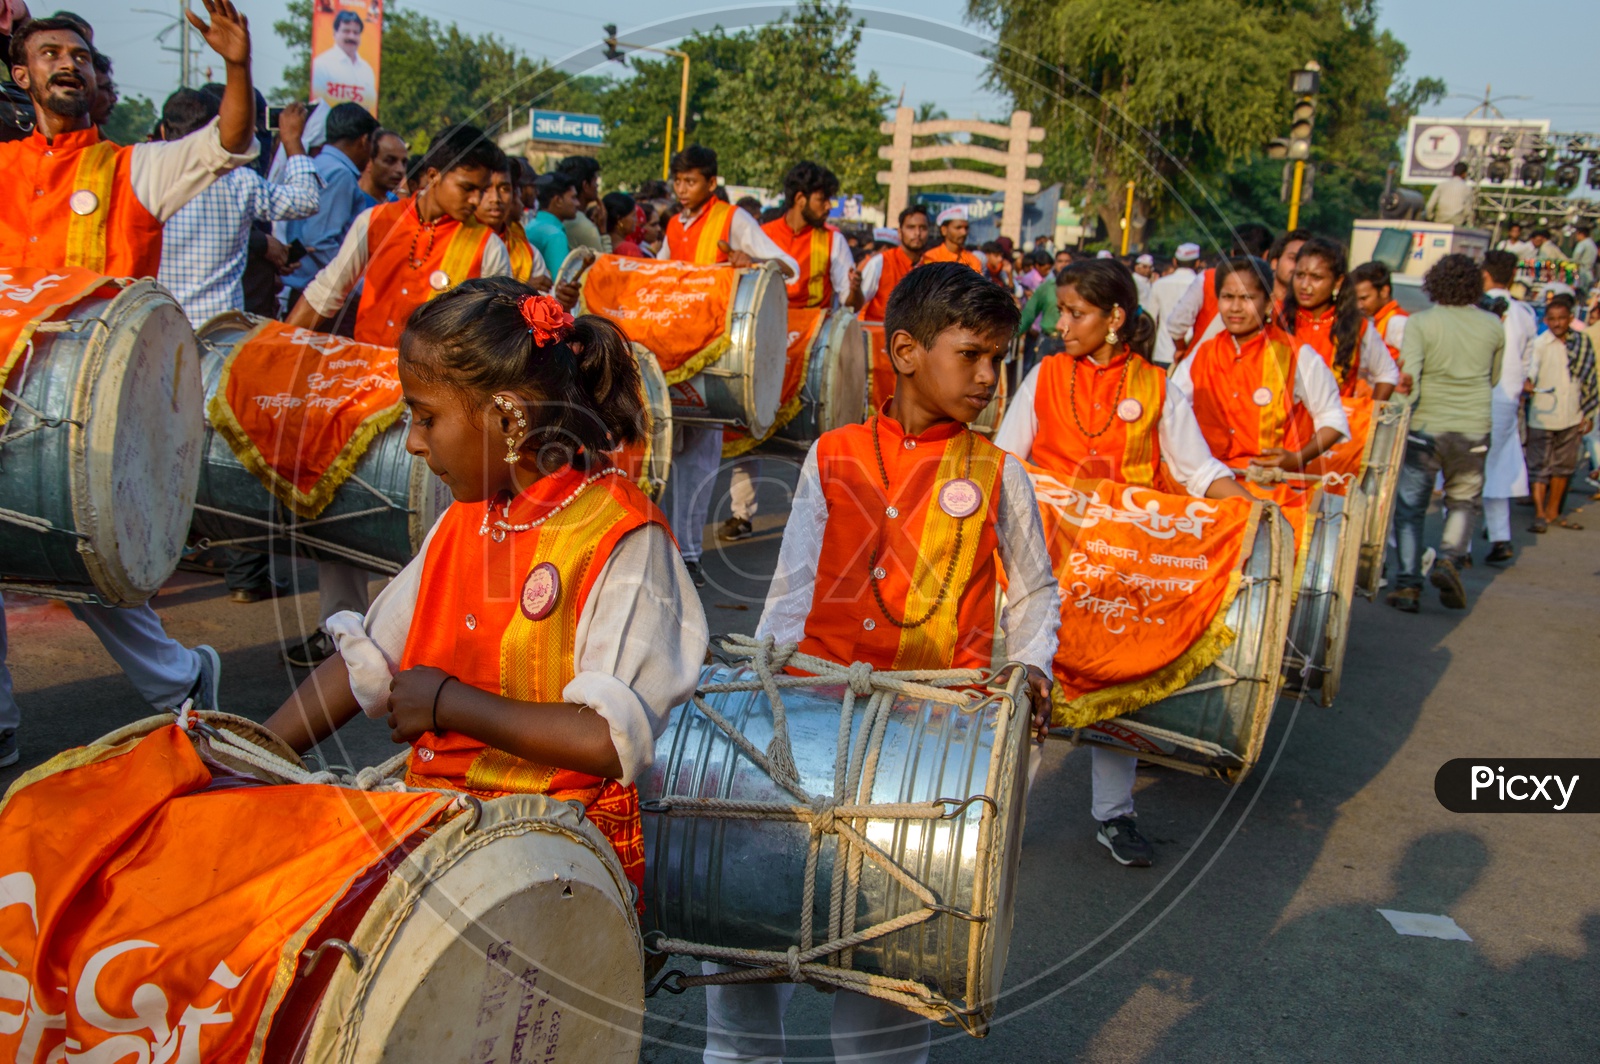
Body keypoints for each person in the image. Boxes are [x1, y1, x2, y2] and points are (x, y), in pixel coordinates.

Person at [706, 261, 1058, 1064]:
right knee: (745, 957)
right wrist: (759, 696)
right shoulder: (832, 453)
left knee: (889, 986)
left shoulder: (1001, 473)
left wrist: (1034, 666)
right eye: (970, 354)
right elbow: (789, 597)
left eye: (998, 359)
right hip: (811, 724)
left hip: (929, 743)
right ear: (904, 351)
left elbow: (1035, 594)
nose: (987, 376)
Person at [262, 279, 707, 901]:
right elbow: (364, 659)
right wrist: (249, 755)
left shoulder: (622, 538)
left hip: (560, 856)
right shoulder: (466, 518)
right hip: (447, 823)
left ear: (506, 417)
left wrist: (449, 703)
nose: (413, 442)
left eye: (426, 418)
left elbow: (604, 740)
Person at [0, 0, 259, 768]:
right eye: (50, 52)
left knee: (95, 575)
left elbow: (230, 141)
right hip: (6, 394)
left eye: (78, 53)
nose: (67, 62)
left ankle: (183, 681)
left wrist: (237, 65)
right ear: (23, 76)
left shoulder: (130, 168)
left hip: (84, 415)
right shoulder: (4, 168)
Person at [995, 259, 1245, 868]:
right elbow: (1004, 459)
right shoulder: (1046, 375)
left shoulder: (1158, 387)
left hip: (1123, 563)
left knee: (1118, 682)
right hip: (1043, 562)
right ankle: (999, 819)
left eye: (1076, 313)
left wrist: (1244, 508)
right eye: (1060, 311)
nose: (1059, 325)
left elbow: (1198, 470)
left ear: (1114, 320)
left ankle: (1114, 816)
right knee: (1022, 686)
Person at [283, 124, 511, 667]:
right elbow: (326, 292)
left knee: (425, 524)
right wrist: (280, 349)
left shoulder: (489, 247)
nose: (479, 200)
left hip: (438, 404)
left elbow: (499, 336)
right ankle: (336, 631)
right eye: (469, 187)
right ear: (432, 177)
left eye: (485, 190)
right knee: (334, 507)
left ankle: (416, 635)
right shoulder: (376, 221)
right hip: (359, 395)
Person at [652, 144, 795, 586]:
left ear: (711, 183)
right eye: (677, 181)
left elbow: (787, 266)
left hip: (717, 349)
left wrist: (749, 263)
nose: (682, 189)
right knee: (665, 456)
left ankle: (690, 555)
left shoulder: (733, 219)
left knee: (698, 460)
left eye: (690, 181)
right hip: (674, 347)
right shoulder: (675, 224)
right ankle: (668, 548)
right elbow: (659, 270)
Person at [718, 161, 854, 544]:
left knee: (808, 436)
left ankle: (806, 518)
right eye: (823, 199)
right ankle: (740, 514)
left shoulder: (833, 241)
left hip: (811, 346)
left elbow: (848, 301)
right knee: (749, 428)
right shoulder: (763, 234)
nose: (829, 206)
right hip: (766, 341)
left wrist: (855, 293)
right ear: (800, 199)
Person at [1389, 254, 1504, 610]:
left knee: (1411, 508)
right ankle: (1450, 560)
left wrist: (1392, 414)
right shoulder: (1493, 326)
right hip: (1473, 428)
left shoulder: (1421, 324)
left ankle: (1408, 585)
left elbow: (1411, 382)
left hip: (1427, 428)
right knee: (1463, 501)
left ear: (1433, 284)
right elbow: (1494, 378)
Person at [1173, 256, 1350, 478]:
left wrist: (1296, 458)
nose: (1236, 307)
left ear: (1268, 303)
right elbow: (1172, 408)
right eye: (1228, 297)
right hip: (1209, 479)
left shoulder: (1296, 354)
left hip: (1272, 484)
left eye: (1247, 298)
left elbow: (1332, 417)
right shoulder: (1203, 353)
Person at [158, 94, 317, 327]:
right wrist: (292, 141)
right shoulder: (239, 181)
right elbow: (307, 200)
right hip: (218, 333)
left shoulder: (144, 177)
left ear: (163, 131)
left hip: (160, 326)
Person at [280, 101, 378, 313]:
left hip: (304, 287)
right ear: (364, 140)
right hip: (319, 296)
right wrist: (358, 285)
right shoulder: (340, 174)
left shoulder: (316, 164)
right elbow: (320, 240)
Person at [1283, 237, 1399, 400]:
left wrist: (1370, 415)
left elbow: (1387, 373)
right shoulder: (1279, 317)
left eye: (1316, 278)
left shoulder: (1356, 325)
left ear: (1338, 282)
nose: (1305, 285)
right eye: (1300, 275)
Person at [1524, 293, 1597, 532]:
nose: (1557, 323)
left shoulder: (1581, 343)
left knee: (1563, 468)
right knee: (1539, 467)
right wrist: (1529, 382)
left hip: (1572, 414)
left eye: (1562, 318)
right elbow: (1531, 369)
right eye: (1552, 319)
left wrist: (1588, 415)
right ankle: (1539, 513)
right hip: (1542, 414)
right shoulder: (1540, 344)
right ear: (1546, 320)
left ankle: (1553, 512)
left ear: (1570, 319)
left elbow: (1589, 381)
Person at [1479, 250, 1534, 564]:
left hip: (1479, 398)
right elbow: (1527, 362)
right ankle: (1500, 537)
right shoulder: (1525, 313)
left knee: (1467, 472)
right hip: (1508, 402)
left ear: (1486, 275)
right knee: (1496, 468)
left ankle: (1458, 547)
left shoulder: (1479, 309)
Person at [476, 159, 549, 287]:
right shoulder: (453, 239)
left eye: (505, 189)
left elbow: (546, 299)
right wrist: (523, 288)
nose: (495, 199)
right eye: (486, 188)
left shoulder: (528, 253)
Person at [852, 202, 929, 318]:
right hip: (877, 333)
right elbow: (856, 307)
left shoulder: (932, 265)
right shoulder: (880, 263)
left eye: (922, 228)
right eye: (911, 227)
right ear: (900, 232)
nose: (917, 233)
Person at [310, 9, 376, 110]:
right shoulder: (322, 64)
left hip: (358, 125)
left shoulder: (367, 70)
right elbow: (316, 105)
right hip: (328, 125)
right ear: (335, 33)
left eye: (356, 32)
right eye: (346, 31)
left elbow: (370, 106)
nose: (351, 36)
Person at [1150, 241, 1201, 364]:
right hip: (1192, 354)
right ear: (1197, 263)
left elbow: (1151, 319)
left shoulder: (1159, 284)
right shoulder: (1201, 285)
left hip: (1162, 353)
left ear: (1174, 261)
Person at [1351, 260, 1407, 365]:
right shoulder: (1375, 319)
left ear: (1384, 292)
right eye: (1356, 300)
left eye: (1364, 298)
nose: (1359, 305)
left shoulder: (1397, 322)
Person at [524, 170, 574, 276]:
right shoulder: (555, 236)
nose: (577, 203)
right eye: (573, 198)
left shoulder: (530, 225)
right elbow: (561, 281)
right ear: (558, 201)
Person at [555, 154, 606, 253]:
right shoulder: (583, 225)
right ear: (585, 185)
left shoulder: (559, 216)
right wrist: (603, 231)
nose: (597, 186)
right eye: (595, 181)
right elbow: (604, 264)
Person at [921, 204, 982, 271]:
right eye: (958, 228)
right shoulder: (930, 257)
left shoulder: (973, 260)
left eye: (966, 228)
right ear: (944, 230)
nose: (964, 232)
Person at [358, 127, 407, 206]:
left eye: (404, 163)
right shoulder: (352, 203)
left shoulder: (395, 203)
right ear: (369, 162)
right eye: (390, 161)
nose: (400, 170)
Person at [1425, 161, 1475, 227]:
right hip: (1457, 223)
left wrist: (1430, 217)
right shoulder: (1467, 188)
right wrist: (1470, 225)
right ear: (1464, 174)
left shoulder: (1441, 185)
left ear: (1453, 173)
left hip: (1440, 220)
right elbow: (1468, 211)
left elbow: (1429, 205)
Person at [603, 190, 646, 256]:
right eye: (633, 215)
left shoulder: (601, 243)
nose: (636, 220)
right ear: (619, 219)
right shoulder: (628, 249)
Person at [1570, 223, 1596, 294]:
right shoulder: (1592, 244)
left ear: (1581, 234)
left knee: (1580, 294)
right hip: (1590, 273)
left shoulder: (1582, 244)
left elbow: (1576, 257)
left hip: (1582, 273)